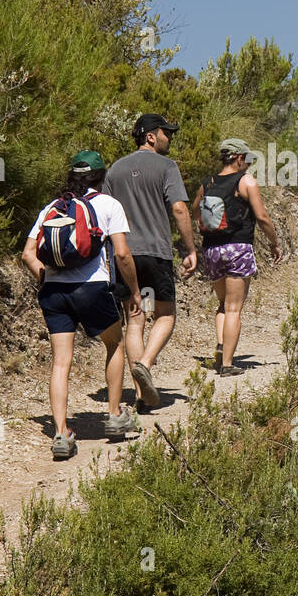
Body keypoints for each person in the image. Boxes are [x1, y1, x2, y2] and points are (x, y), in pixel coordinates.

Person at [22, 150, 143, 459]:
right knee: (114, 344)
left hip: (54, 293)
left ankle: (61, 433)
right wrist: (134, 292)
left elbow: (27, 254)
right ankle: (114, 416)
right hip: (92, 290)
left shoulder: (53, 206)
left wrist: (44, 278)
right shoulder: (108, 205)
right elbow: (122, 254)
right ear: (101, 177)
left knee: (61, 362)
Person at [102, 113, 197, 408]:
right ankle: (145, 363)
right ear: (151, 137)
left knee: (135, 320)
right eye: (166, 132)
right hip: (155, 252)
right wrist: (191, 249)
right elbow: (180, 209)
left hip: (124, 255)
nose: (171, 137)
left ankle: (141, 396)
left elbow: (103, 213)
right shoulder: (167, 166)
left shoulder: (115, 170)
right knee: (166, 315)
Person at [193, 138, 281, 376]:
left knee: (222, 304)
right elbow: (262, 217)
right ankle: (227, 364)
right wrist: (274, 243)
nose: (247, 165)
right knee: (234, 308)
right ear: (239, 158)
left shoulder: (208, 182)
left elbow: (194, 210)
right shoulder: (246, 181)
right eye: (246, 160)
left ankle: (222, 346)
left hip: (211, 250)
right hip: (238, 249)